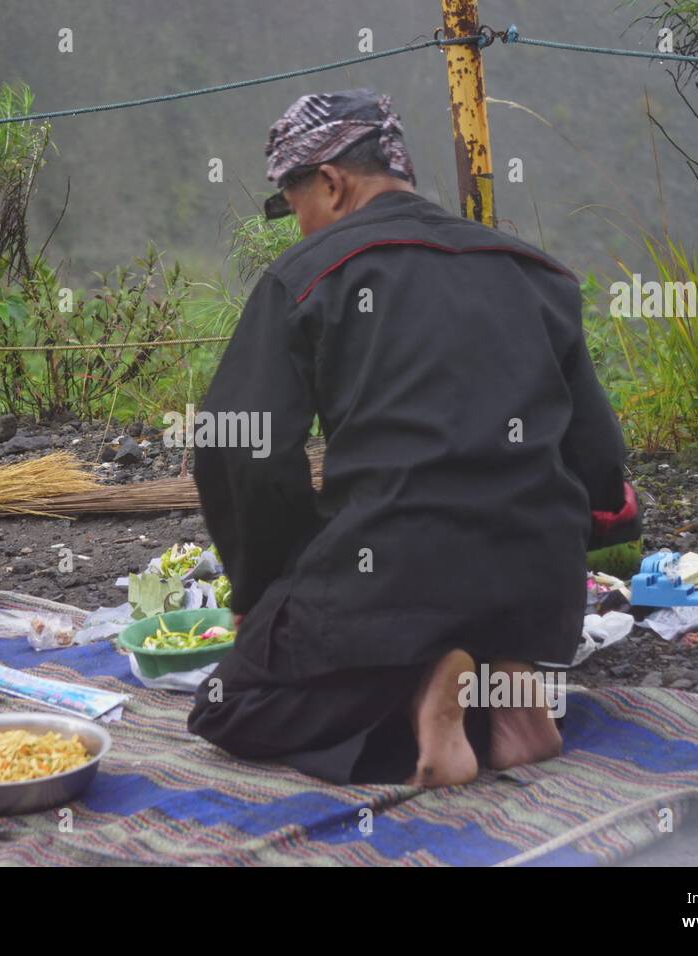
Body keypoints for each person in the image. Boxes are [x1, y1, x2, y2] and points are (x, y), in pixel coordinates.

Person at [188, 90, 640, 787]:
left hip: (395, 576)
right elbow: (601, 463)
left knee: (233, 705)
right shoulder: (535, 272)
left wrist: (270, 583)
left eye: (291, 204)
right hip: (538, 587)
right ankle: (506, 689)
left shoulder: (309, 277)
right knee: (459, 591)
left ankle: (424, 695)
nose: (295, 227)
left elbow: (234, 446)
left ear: (332, 183)